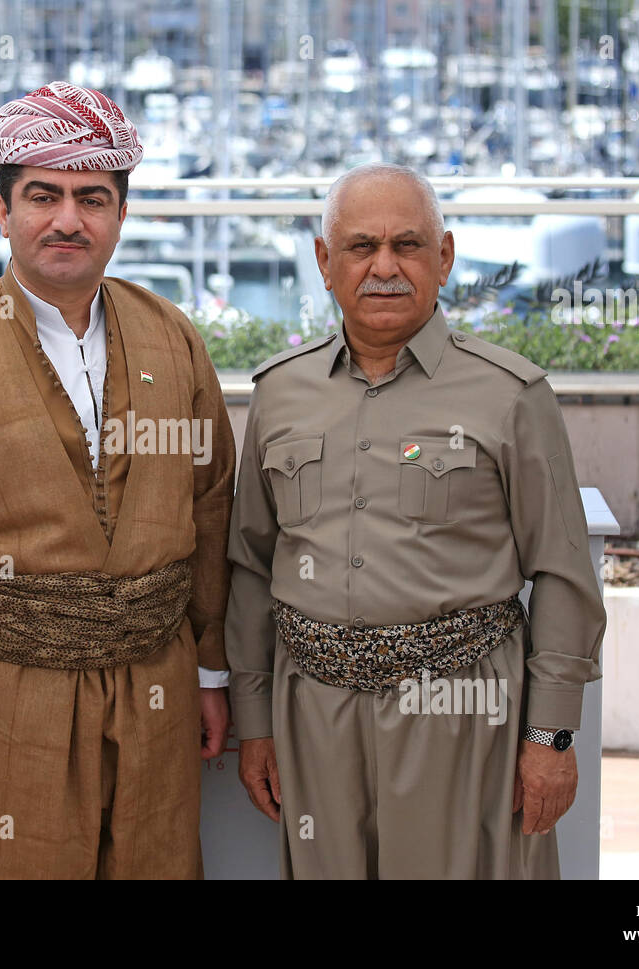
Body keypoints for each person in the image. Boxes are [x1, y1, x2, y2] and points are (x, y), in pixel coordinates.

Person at [0, 82, 236, 879]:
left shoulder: (174, 339)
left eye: (92, 198)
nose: (68, 220)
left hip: (156, 692)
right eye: (43, 196)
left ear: (121, 216)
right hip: (1, 701)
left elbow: (211, 505)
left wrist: (208, 668)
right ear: (3, 211)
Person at [225, 162, 607, 879]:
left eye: (408, 245)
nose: (385, 267)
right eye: (362, 247)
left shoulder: (510, 395)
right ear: (324, 263)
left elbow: (561, 572)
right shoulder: (280, 394)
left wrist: (550, 735)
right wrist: (255, 723)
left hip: (464, 714)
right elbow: (250, 564)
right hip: (316, 718)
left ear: (446, 257)